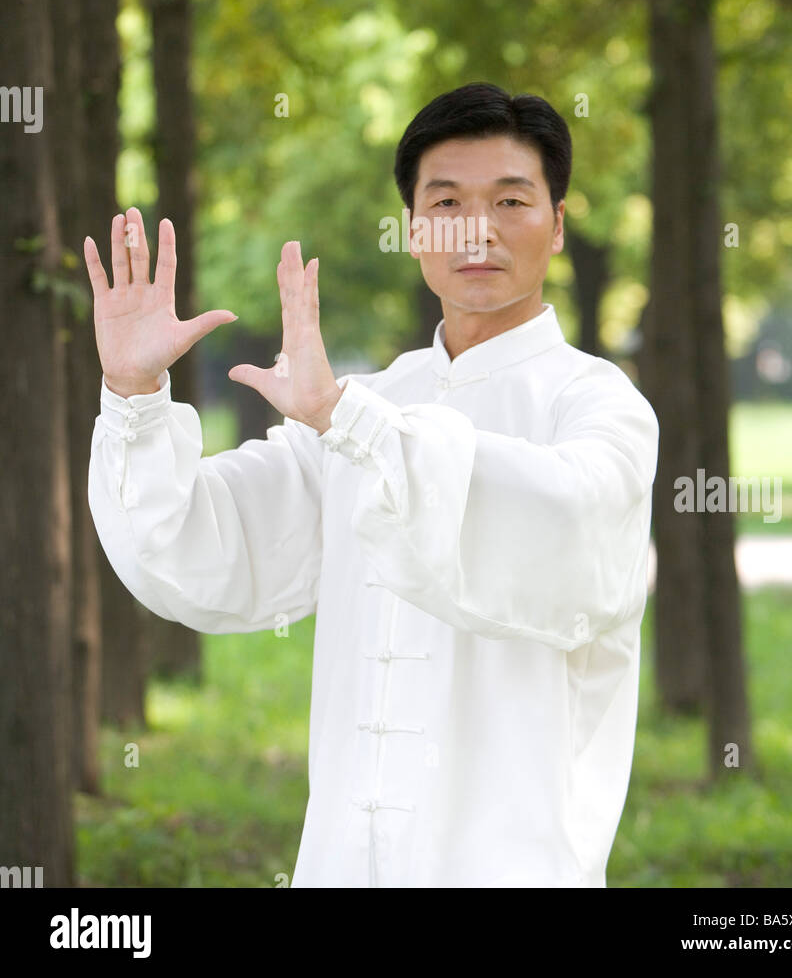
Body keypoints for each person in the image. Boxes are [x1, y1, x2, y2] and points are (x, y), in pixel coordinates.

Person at [86, 81, 659, 888]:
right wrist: (135, 394)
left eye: (511, 200)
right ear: (415, 229)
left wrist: (352, 422)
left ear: (558, 225)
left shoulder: (598, 408)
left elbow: (562, 529)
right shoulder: (367, 403)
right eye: (448, 201)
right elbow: (198, 548)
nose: (478, 230)